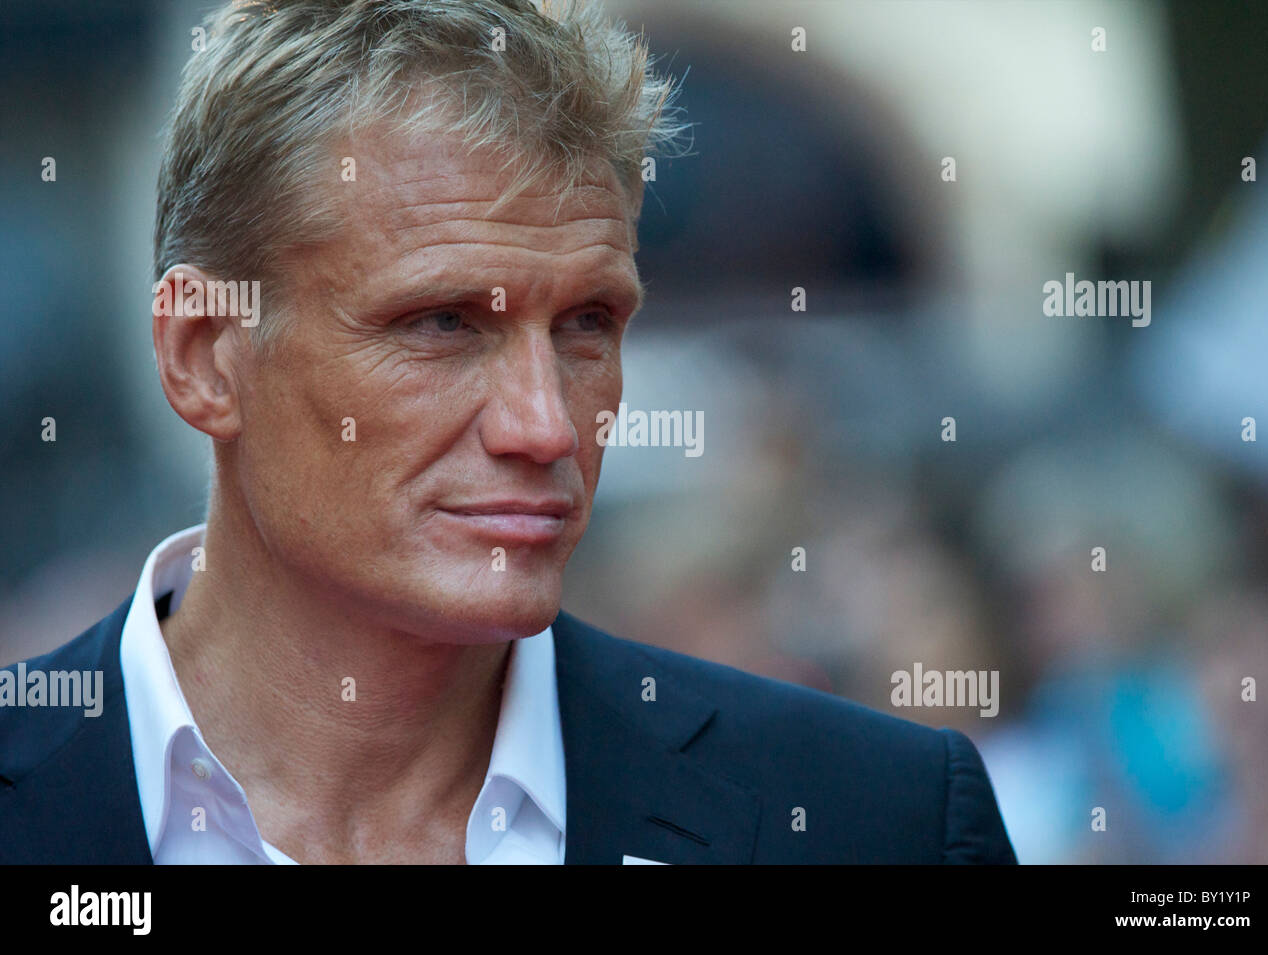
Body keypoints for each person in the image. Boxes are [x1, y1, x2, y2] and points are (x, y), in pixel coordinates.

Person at [0, 0, 1015, 864]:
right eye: (441, 324)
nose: (545, 426)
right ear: (203, 353)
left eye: (586, 327)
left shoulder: (871, 821)